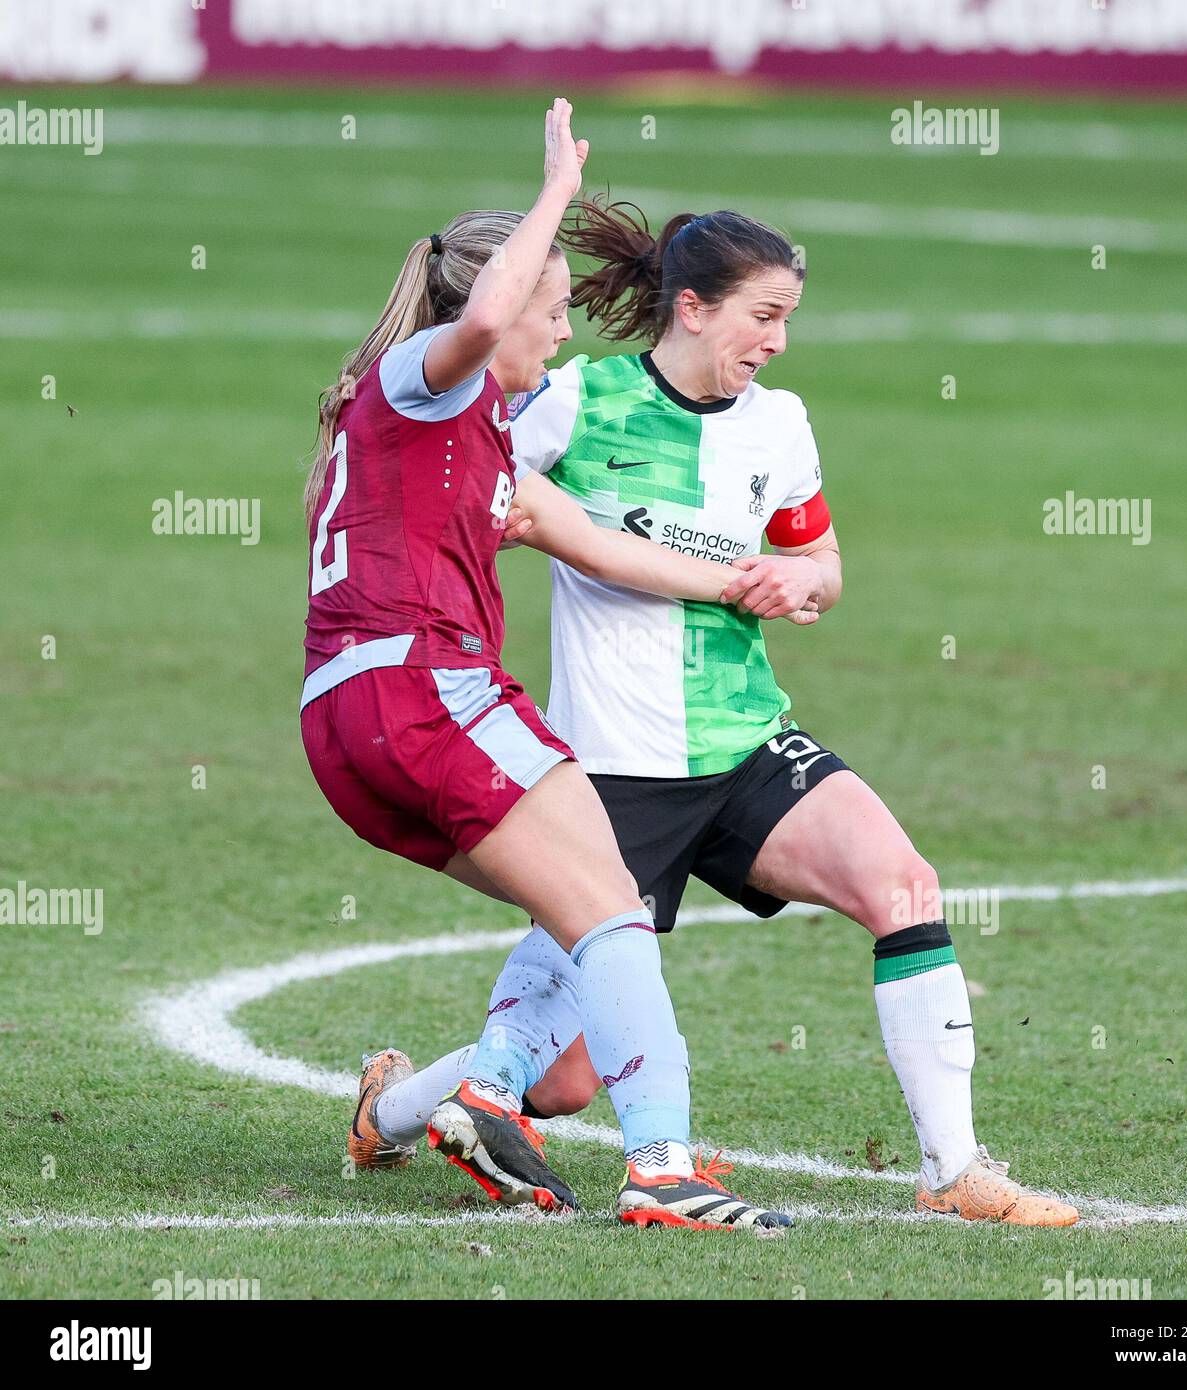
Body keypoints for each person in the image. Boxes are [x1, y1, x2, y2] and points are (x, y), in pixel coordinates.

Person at [371, 196, 1079, 1228]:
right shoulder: (576, 402)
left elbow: (822, 562)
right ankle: (389, 1107)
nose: (778, 340)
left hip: (746, 741)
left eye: (789, 317)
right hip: (614, 769)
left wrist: (805, 588)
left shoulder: (780, 425)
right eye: (763, 314)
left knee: (903, 883)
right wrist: (664, 562)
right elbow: (489, 504)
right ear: (692, 309)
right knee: (562, 1083)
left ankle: (955, 1168)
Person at [302, 103, 806, 1231]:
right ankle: (663, 1166)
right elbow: (485, 314)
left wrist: (748, 582)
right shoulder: (422, 380)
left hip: (351, 723)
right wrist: (551, 196)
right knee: (615, 909)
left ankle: (417, 1107)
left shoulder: (463, 428)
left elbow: (596, 542)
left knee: (584, 917)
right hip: (426, 691)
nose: (562, 335)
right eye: (554, 310)